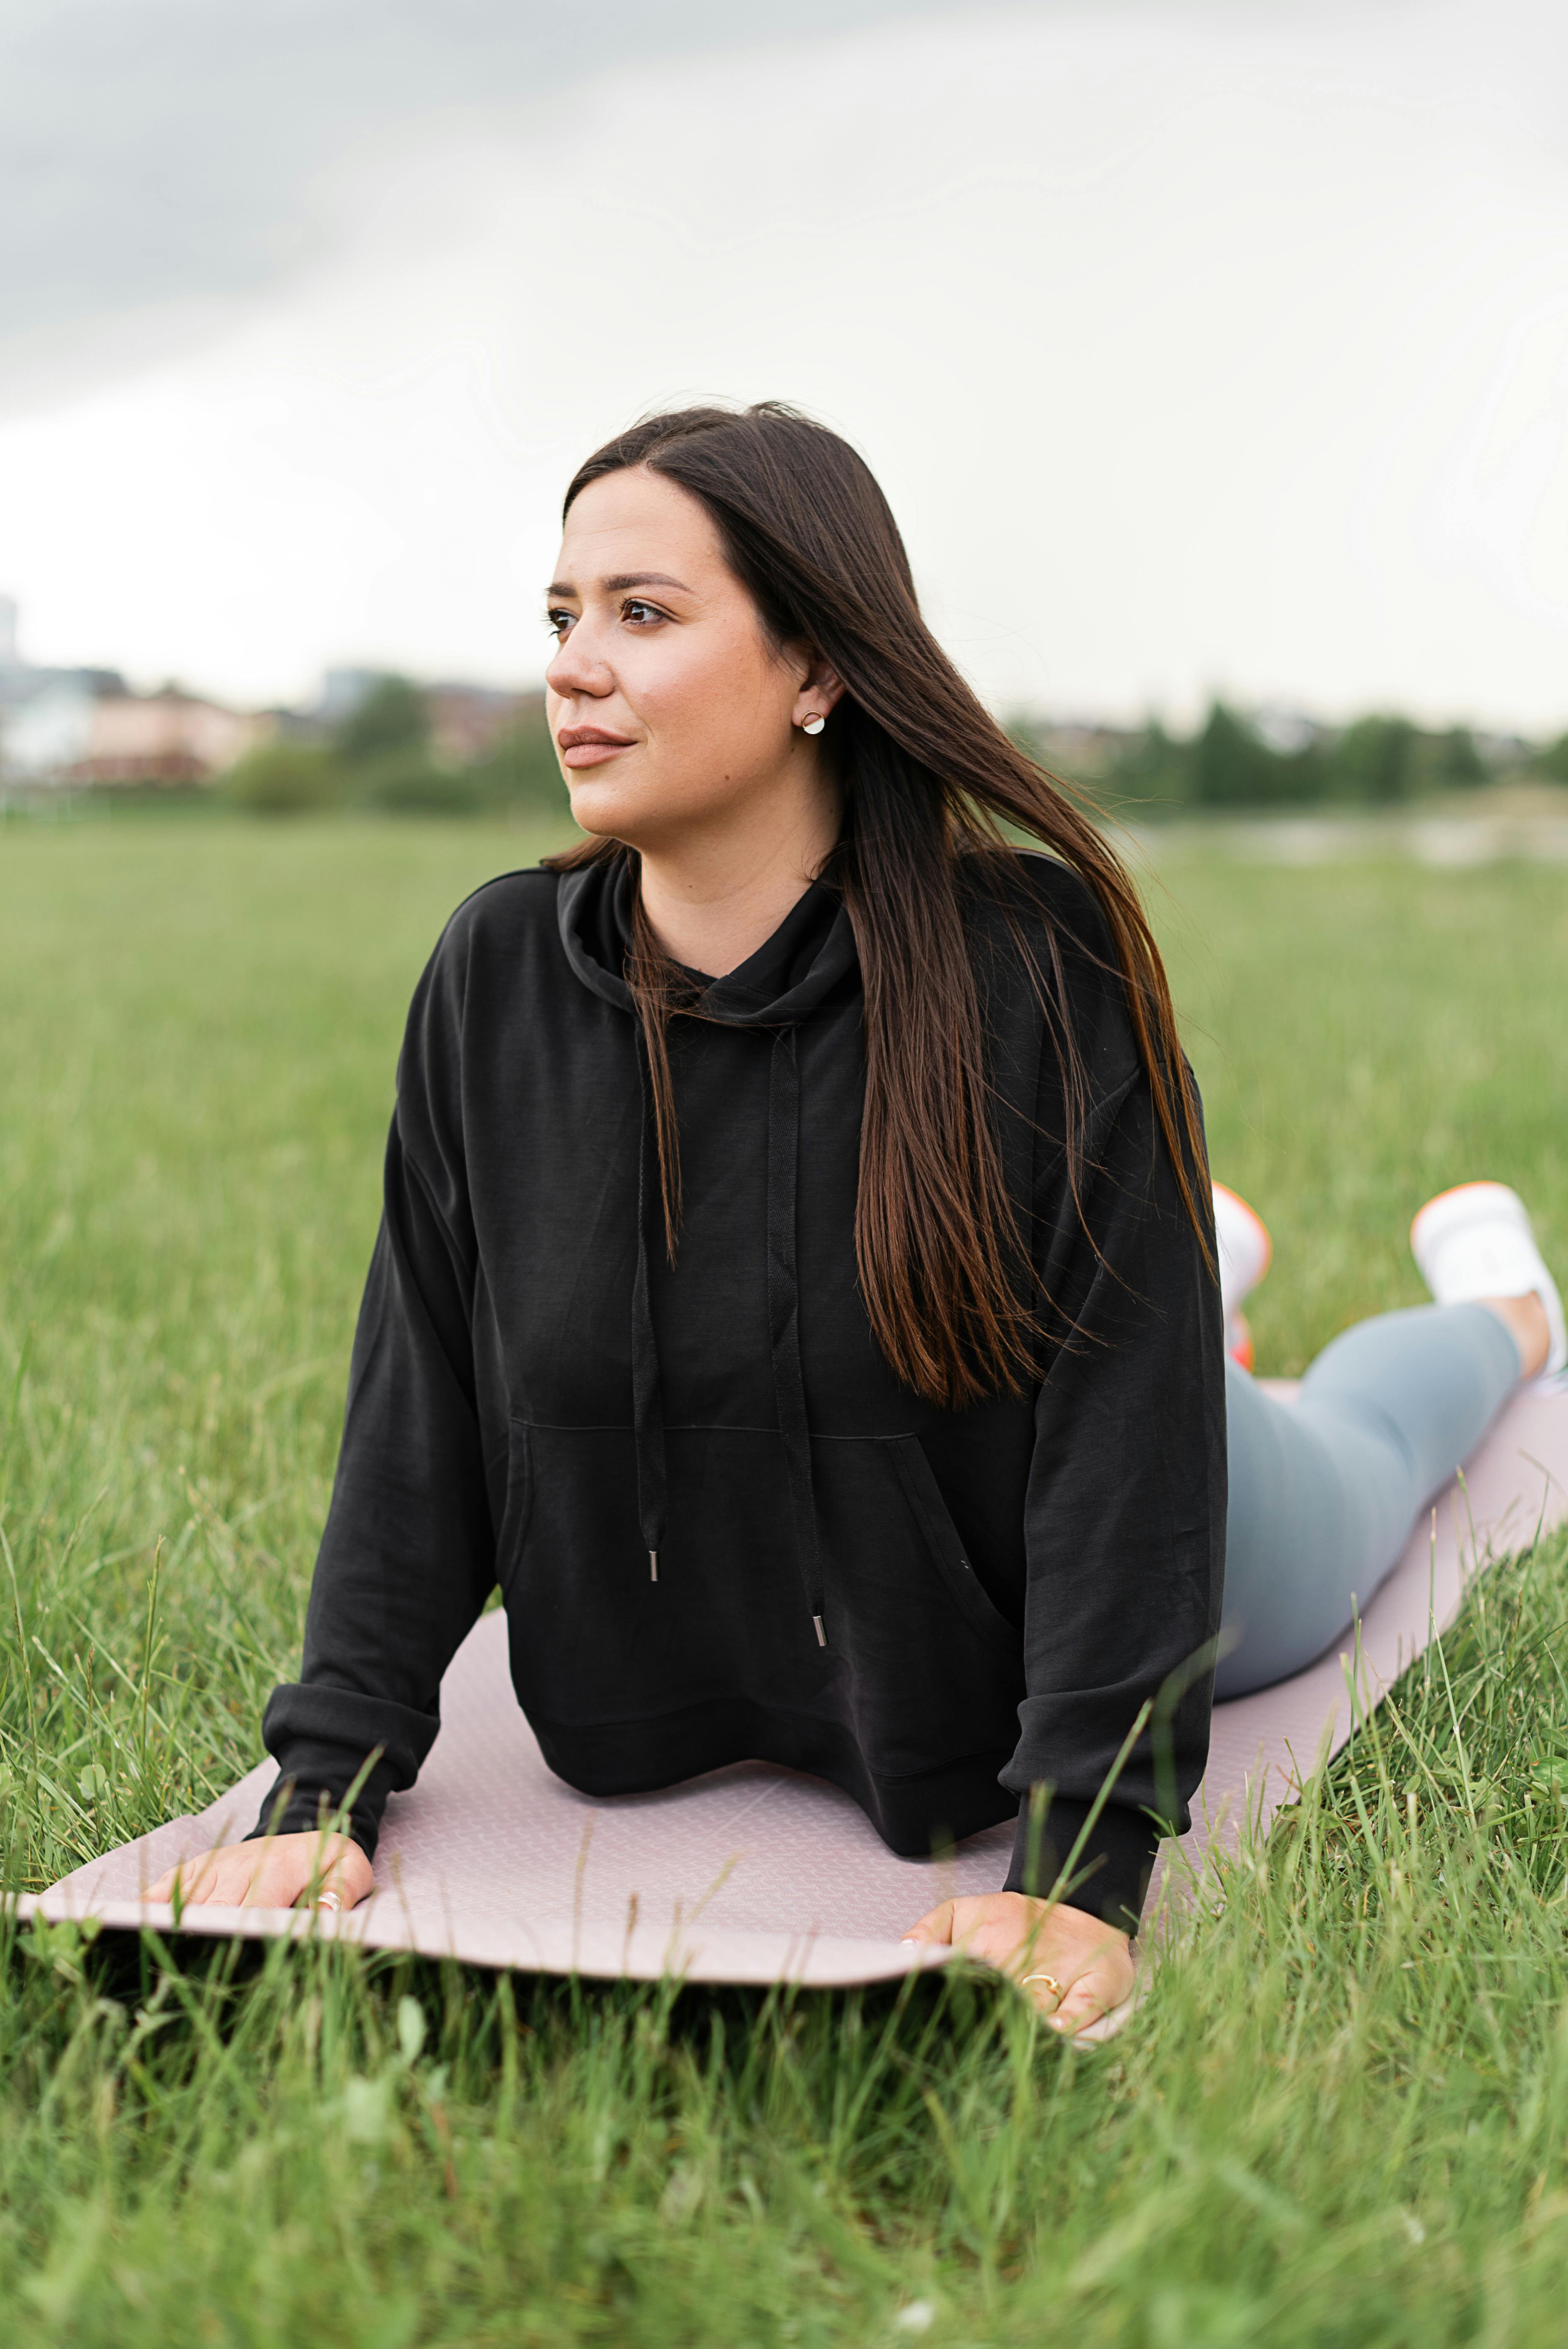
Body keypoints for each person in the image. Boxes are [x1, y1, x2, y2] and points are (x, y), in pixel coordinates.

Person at [151, 404, 1564, 2037]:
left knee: (1367, 1448)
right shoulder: (495, 976)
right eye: (560, 615)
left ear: (818, 667)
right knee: (1005, 1298)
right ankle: (1202, 1247)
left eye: (643, 614)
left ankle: (1496, 1308)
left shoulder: (1034, 967)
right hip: (860, 1431)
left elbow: (1117, 1446)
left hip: (1153, 1510)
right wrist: (323, 1793)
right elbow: (420, 1401)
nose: (570, 666)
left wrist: (1080, 1870)